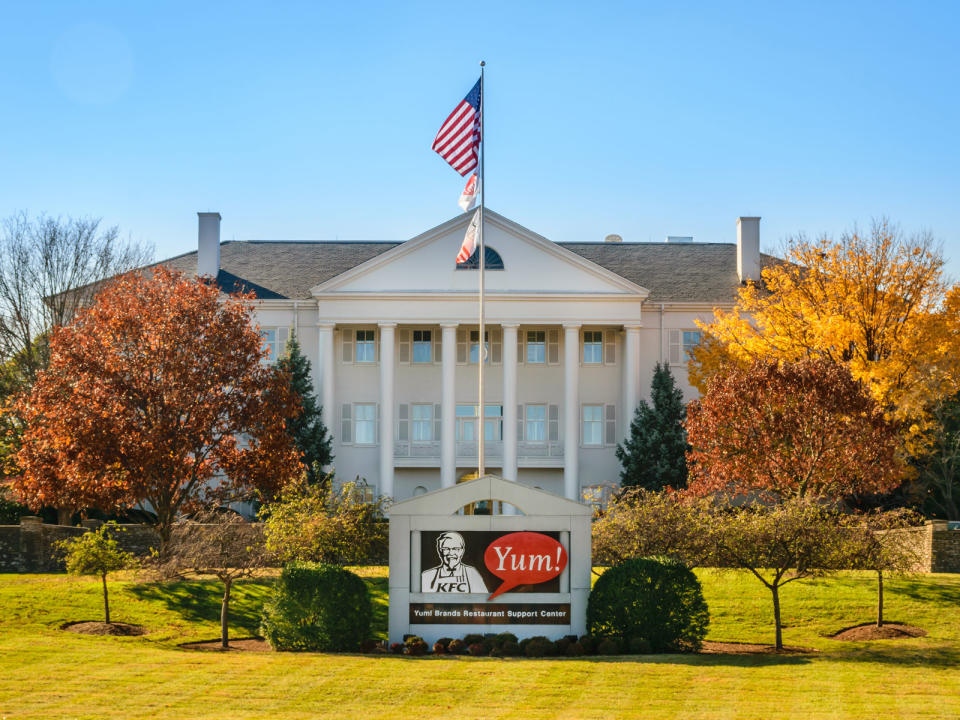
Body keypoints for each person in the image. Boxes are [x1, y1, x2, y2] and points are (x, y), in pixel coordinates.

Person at [421, 531, 487, 593]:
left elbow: (482, 602)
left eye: (456, 549)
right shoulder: (427, 576)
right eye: (446, 549)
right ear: (439, 551)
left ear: (462, 551)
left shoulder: (472, 573)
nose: (451, 553)